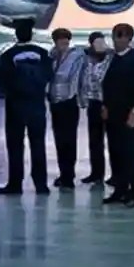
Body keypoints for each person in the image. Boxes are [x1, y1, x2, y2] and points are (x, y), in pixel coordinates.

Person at [0, 18, 53, 195]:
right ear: (32, 34)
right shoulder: (42, 54)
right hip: (37, 106)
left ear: (17, 35)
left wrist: (11, 90)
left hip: (15, 106)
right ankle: (40, 184)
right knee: (38, 145)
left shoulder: (8, 55)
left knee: (15, 146)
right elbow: (48, 75)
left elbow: (0, 78)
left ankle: (15, 184)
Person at [101, 23, 134, 207]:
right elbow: (108, 85)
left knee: (132, 153)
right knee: (116, 153)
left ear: (129, 39)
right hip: (113, 114)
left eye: (121, 36)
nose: (118, 40)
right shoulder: (114, 59)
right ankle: (120, 189)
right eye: (115, 36)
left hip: (129, 114)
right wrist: (105, 106)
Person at [47, 28, 86, 188]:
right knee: (59, 139)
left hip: (70, 101)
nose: (63, 43)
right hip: (55, 102)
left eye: (65, 40)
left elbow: (76, 77)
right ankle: (64, 173)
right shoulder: (53, 56)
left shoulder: (77, 57)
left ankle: (69, 175)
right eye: (59, 40)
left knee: (69, 139)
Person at [78, 32, 112, 185]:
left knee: (114, 141)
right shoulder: (85, 59)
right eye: (96, 42)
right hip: (93, 103)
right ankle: (96, 173)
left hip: (109, 103)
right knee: (95, 141)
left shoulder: (111, 58)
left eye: (101, 42)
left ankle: (118, 175)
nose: (100, 45)